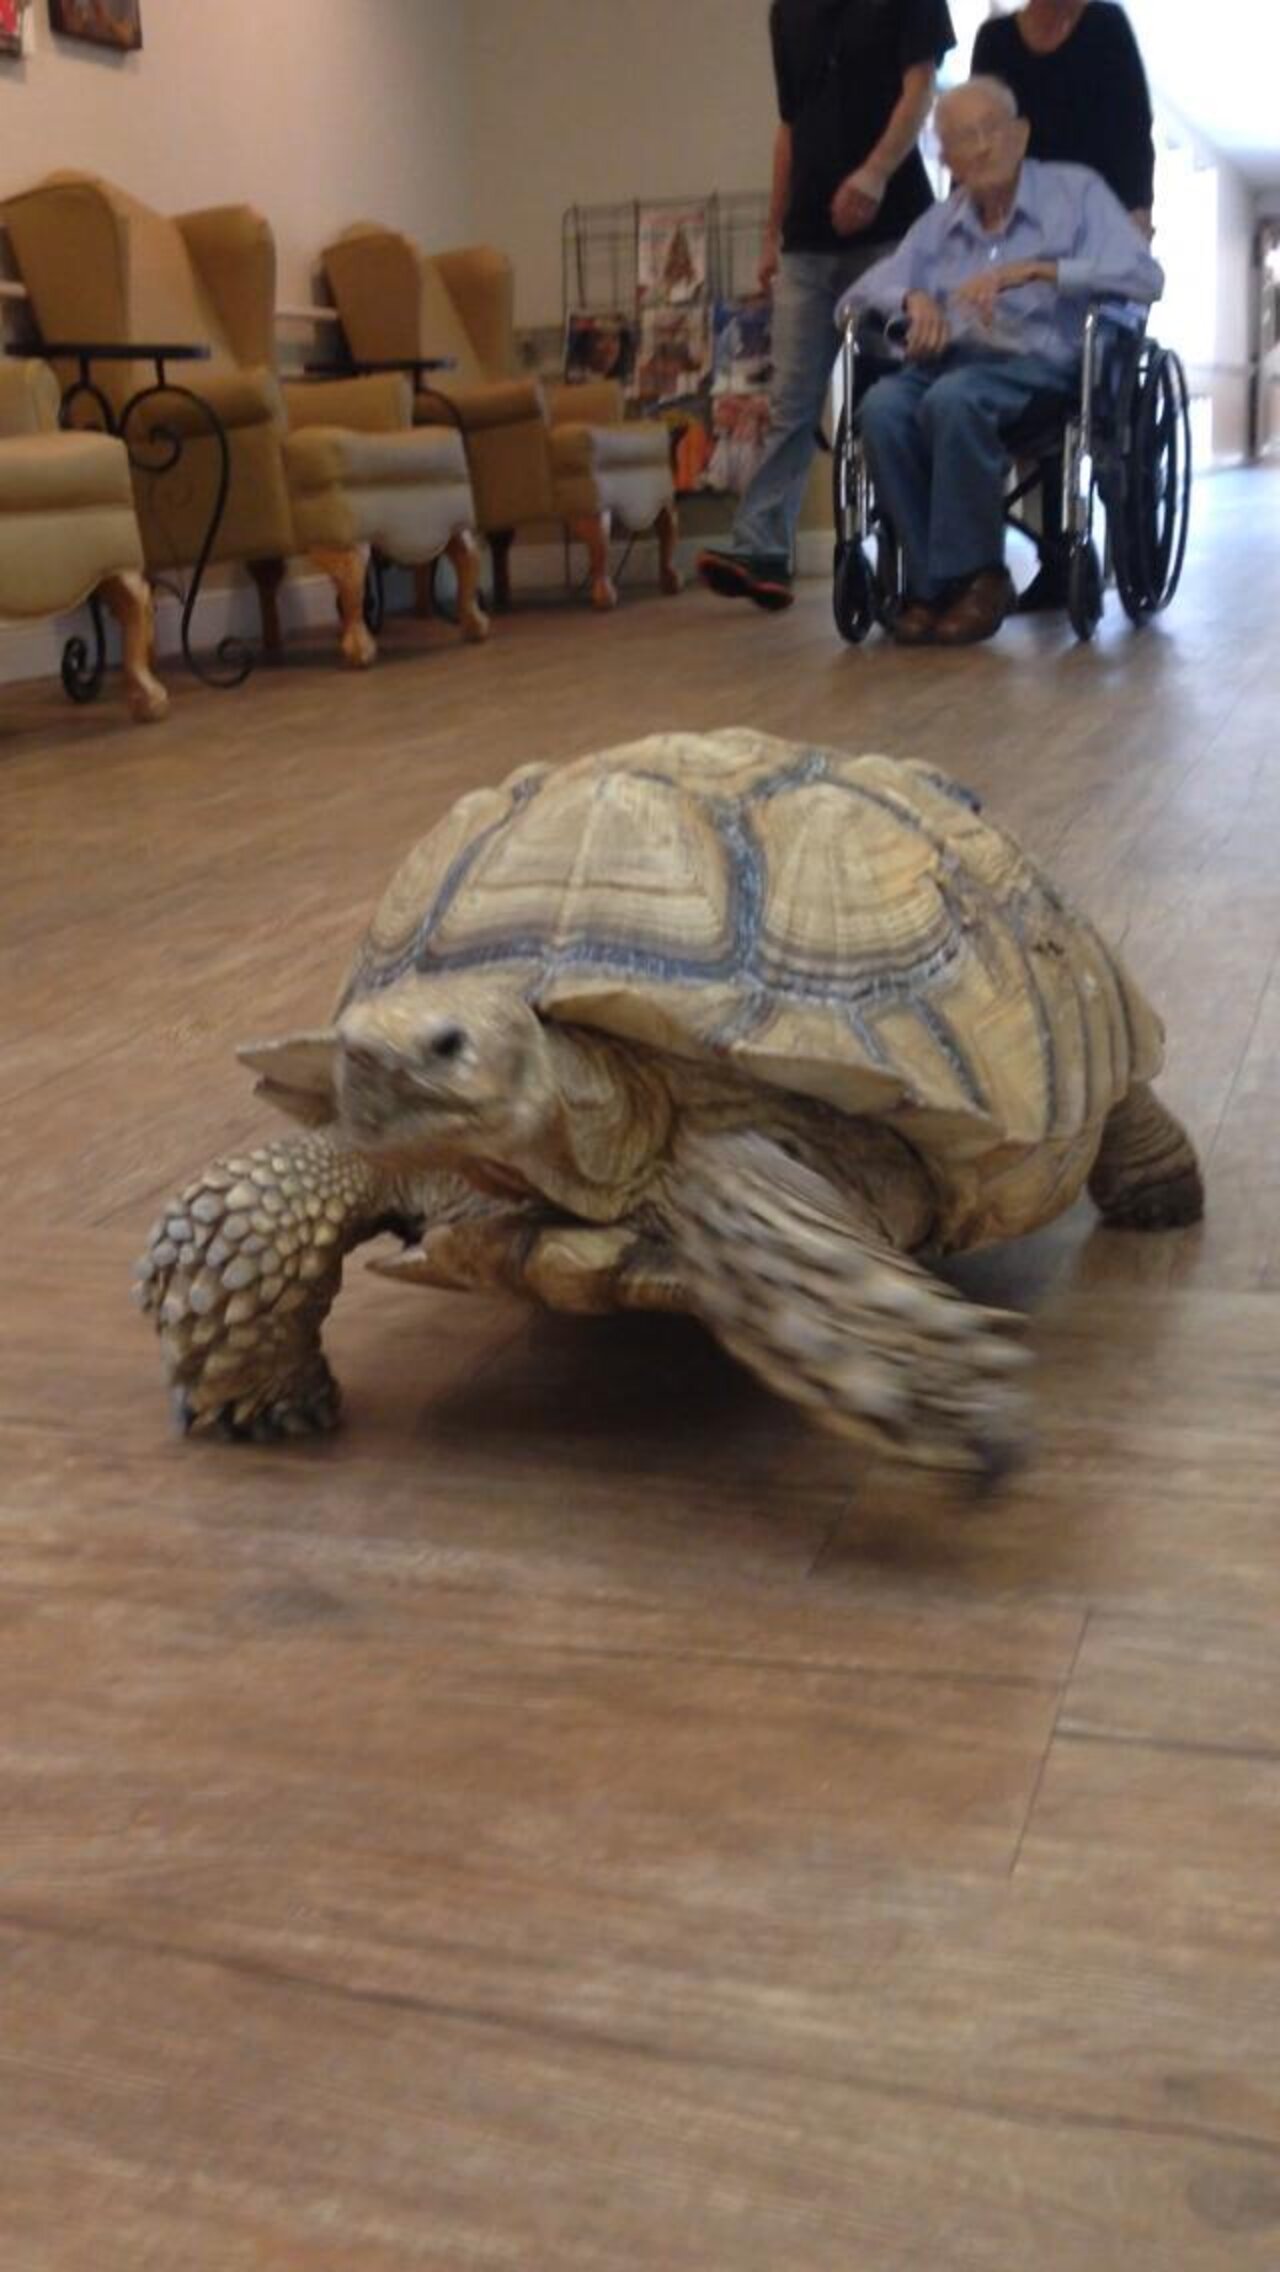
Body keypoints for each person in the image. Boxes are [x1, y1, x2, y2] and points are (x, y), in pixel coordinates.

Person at [842, 74, 1163, 647]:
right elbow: (857, 297)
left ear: (1020, 134)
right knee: (882, 407)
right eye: (965, 137)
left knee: (953, 400)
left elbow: (1146, 276)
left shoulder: (1076, 193)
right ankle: (931, 585)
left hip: (1045, 369)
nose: (984, 146)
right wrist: (910, 299)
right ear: (946, 158)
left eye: (992, 129)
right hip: (953, 364)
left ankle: (978, 579)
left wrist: (1047, 270)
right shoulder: (940, 224)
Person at [696, 0, 955, 612]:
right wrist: (771, 233)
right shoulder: (787, 12)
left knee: (888, 399)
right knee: (790, 401)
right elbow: (790, 128)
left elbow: (921, 90)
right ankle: (762, 549)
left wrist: (873, 173)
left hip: (892, 231)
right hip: (809, 241)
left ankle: (909, 553)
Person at [971, 0, 1157, 610]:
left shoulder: (1104, 25)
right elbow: (979, 139)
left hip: (1097, 226)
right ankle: (1046, 558)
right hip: (1019, 229)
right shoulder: (996, 40)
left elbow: (1133, 133)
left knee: (1098, 377)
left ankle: (1117, 528)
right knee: (1017, 361)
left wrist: (1134, 223)